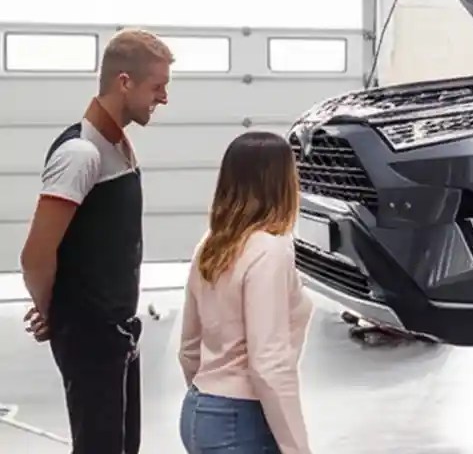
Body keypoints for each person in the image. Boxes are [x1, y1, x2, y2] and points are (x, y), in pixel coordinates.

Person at [19, 27, 174, 454]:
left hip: (117, 331)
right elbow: (35, 256)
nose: (163, 98)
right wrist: (56, 313)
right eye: (156, 87)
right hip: (90, 337)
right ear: (124, 82)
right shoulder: (80, 155)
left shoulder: (118, 147)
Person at [178, 130, 314, 454]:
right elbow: (268, 363)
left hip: (199, 411)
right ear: (281, 183)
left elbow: (188, 349)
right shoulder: (270, 250)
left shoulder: (211, 245)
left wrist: (211, 400)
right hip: (241, 421)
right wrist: (297, 449)